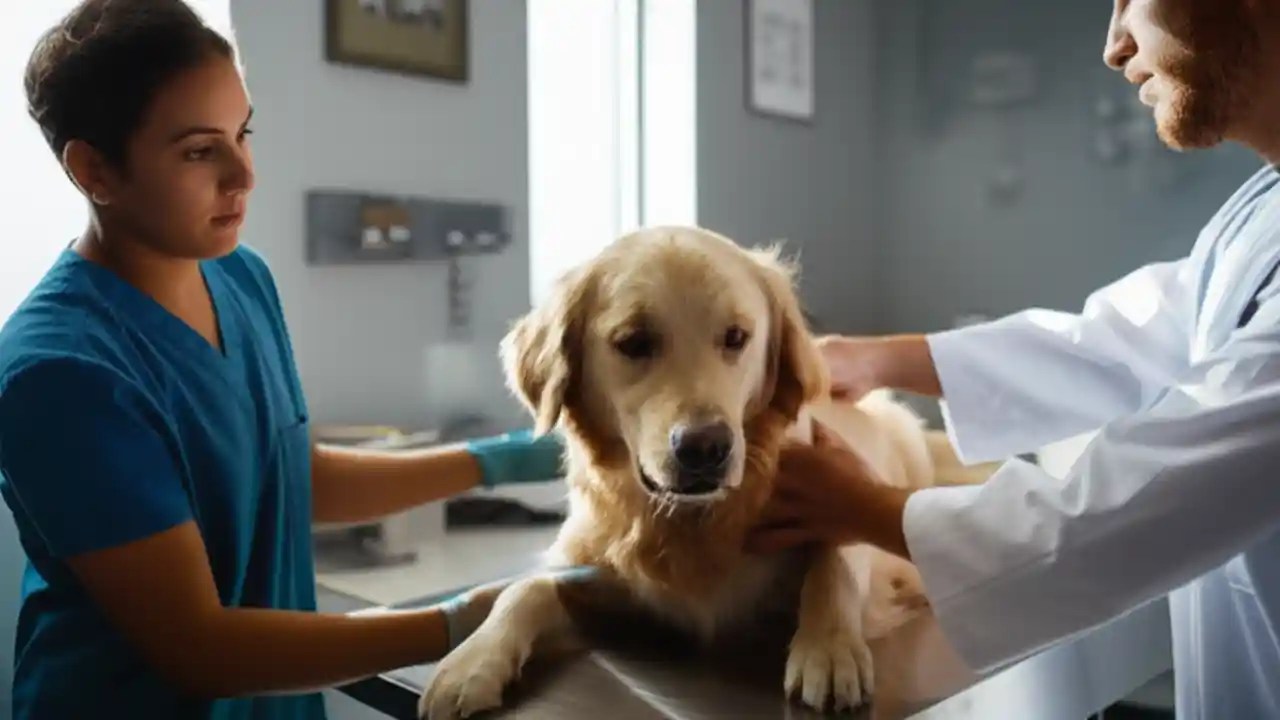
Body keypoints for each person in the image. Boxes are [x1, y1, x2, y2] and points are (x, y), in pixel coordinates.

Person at [0, 1, 565, 718]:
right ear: (94, 169)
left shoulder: (240, 278)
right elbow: (199, 649)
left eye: (243, 133)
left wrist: (501, 460)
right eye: (200, 151)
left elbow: (292, 476)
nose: (244, 175)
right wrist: (460, 624)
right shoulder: (60, 373)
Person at [749, 1, 1280, 718]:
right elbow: (1119, 346)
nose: (1113, 44)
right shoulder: (1260, 212)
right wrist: (871, 360)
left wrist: (863, 506)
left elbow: (1130, 512)